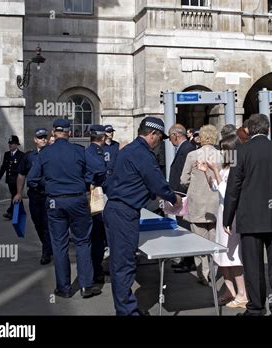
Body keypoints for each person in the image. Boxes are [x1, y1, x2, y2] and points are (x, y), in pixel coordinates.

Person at [103, 117, 181, 316]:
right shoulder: (143, 154)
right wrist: (174, 199)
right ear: (152, 134)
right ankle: (126, 311)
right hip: (124, 212)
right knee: (124, 264)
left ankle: (126, 306)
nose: (159, 143)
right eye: (159, 138)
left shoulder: (127, 150)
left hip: (116, 209)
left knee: (121, 262)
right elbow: (156, 182)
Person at [223, 113, 272, 316]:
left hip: (250, 219)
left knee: (253, 267)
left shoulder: (241, 151)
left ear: (249, 130)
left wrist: (228, 217)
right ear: (267, 129)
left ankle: (255, 308)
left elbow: (233, 187)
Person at [27, 119, 100, 299]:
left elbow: (32, 180)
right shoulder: (78, 150)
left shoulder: (45, 153)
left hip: (55, 201)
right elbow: (97, 169)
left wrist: (50, 186)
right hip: (77, 200)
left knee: (59, 245)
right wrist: (84, 183)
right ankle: (86, 286)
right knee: (83, 242)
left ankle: (64, 288)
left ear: (54, 132)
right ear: (69, 132)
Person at [197, 134, 248, 308]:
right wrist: (208, 172)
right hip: (222, 214)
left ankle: (242, 294)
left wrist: (215, 171)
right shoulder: (226, 168)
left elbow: (227, 194)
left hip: (231, 216)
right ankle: (229, 290)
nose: (222, 153)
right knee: (221, 254)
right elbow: (215, 188)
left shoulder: (237, 168)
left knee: (233, 256)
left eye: (224, 150)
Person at [180, 125, 220, 286]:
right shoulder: (224, 155)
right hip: (216, 203)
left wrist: (193, 183)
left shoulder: (192, 155)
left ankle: (202, 275)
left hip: (197, 202)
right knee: (215, 242)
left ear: (201, 138)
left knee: (199, 240)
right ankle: (213, 272)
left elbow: (183, 179)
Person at [13, 128, 52, 265]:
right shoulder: (29, 157)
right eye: (40, 137)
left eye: (44, 137)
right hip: (35, 196)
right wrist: (18, 193)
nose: (43, 139)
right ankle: (47, 245)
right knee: (38, 223)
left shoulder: (52, 154)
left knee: (48, 224)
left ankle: (46, 251)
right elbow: (21, 175)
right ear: (35, 139)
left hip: (49, 195)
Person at [168, 123, 196, 273]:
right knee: (182, 226)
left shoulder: (187, 149)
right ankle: (186, 259)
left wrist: (178, 192)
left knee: (185, 228)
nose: (170, 140)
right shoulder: (184, 148)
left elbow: (186, 174)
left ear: (175, 135)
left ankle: (189, 260)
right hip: (179, 193)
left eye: (170, 137)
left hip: (183, 194)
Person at [85, 125, 108, 284]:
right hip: (97, 194)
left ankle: (95, 267)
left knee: (97, 234)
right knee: (97, 233)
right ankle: (96, 269)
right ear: (102, 137)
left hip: (96, 193)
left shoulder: (90, 151)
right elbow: (99, 171)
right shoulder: (94, 152)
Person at [0, 135, 25, 219]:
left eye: (12, 143)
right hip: (9, 179)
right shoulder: (7, 154)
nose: (10, 145)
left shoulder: (21, 155)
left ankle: (11, 212)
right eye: (9, 143)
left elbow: (21, 169)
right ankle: (19, 211)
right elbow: (4, 166)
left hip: (17, 180)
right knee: (15, 195)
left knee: (15, 195)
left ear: (16, 144)